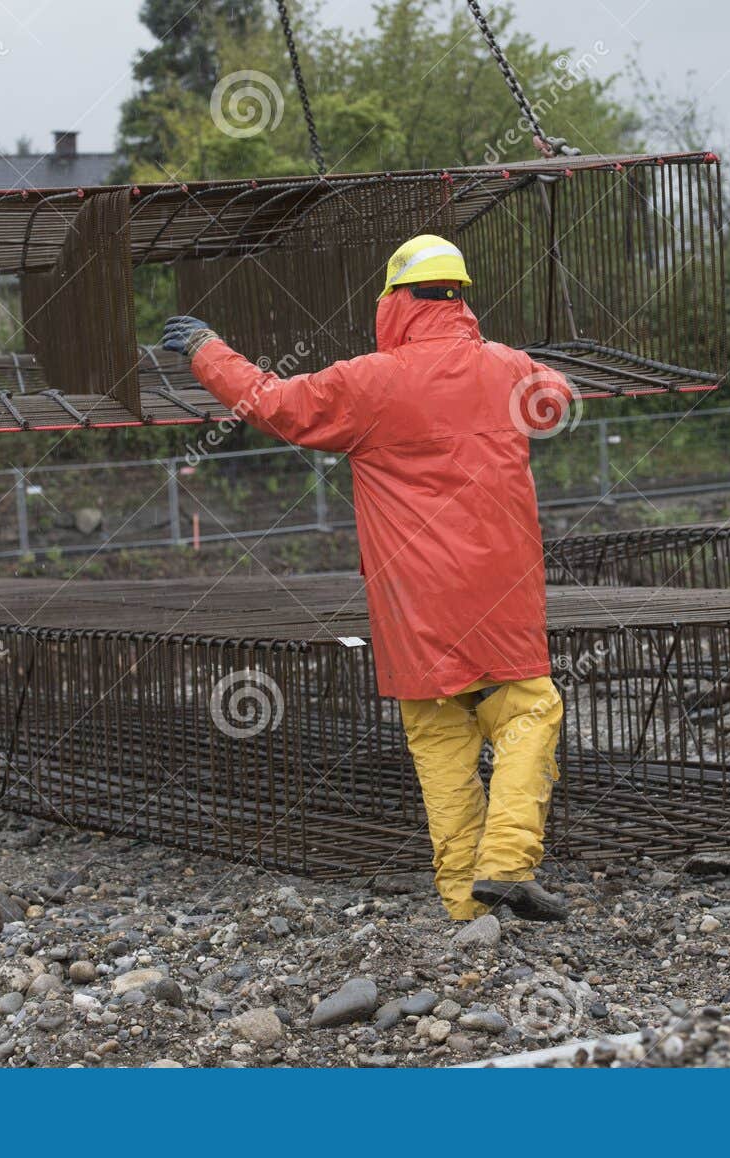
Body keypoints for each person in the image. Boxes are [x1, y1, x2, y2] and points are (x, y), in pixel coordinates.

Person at [161, 234, 574, 923]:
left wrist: (208, 349)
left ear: (396, 301)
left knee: (440, 745)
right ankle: (506, 863)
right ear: (458, 297)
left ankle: (466, 912)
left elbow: (272, 403)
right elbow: (555, 402)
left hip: (410, 606)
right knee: (531, 710)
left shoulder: (367, 383)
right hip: (498, 591)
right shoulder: (507, 369)